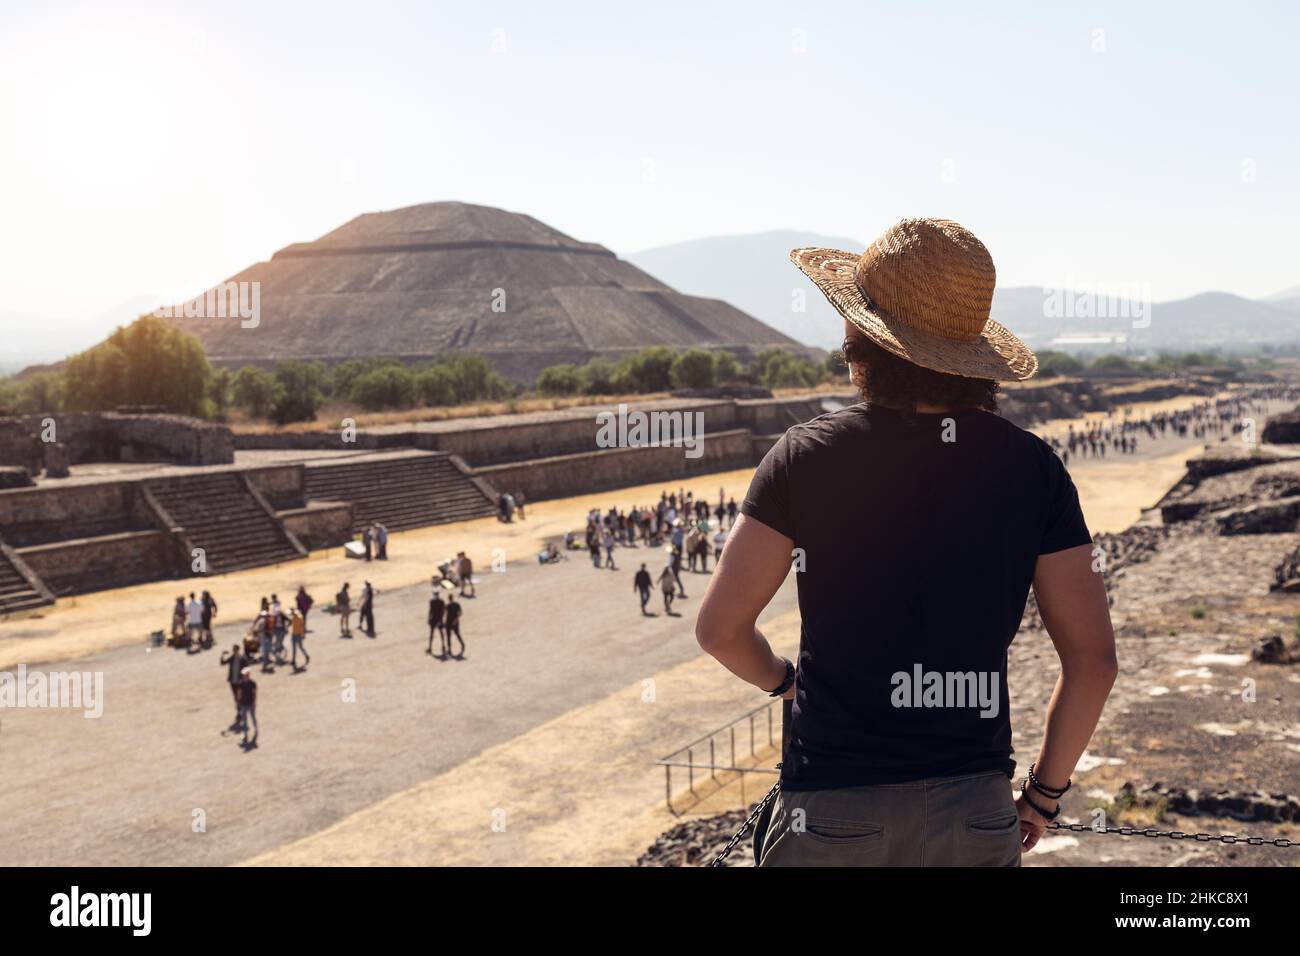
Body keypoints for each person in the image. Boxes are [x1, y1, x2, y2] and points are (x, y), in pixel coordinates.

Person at [696, 219, 1116, 867]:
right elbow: (1093, 661)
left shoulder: (805, 456)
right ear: (972, 358)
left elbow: (721, 630)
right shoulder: (1033, 469)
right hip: (973, 811)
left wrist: (784, 684)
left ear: (865, 338)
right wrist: (1044, 795)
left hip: (833, 807)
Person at [220, 643, 244, 728]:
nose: (234, 651)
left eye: (235, 650)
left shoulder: (242, 659)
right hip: (233, 682)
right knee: (235, 697)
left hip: (240, 682)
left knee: (239, 697)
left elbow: (246, 668)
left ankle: (240, 711)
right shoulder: (232, 658)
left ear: (238, 650)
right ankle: (239, 711)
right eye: (233, 650)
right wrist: (222, 655)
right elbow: (222, 663)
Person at [235, 667, 258, 748]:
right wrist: (238, 702)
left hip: (250, 703)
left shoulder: (252, 683)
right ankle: (245, 734)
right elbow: (239, 693)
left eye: (246, 675)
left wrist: (254, 703)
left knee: (253, 717)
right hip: (244, 704)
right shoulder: (241, 683)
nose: (245, 676)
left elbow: (254, 693)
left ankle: (255, 728)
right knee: (244, 720)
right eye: (244, 675)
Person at [428, 588, 447, 656]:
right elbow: (443, 610)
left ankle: (430, 647)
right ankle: (443, 646)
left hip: (434, 619)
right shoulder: (441, 601)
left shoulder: (432, 601)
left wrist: (429, 619)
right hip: (439, 619)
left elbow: (430, 611)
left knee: (432, 633)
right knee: (441, 633)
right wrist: (441, 618)